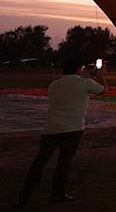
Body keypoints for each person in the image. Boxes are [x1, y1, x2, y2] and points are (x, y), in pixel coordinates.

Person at [17, 57, 108, 206]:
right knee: (64, 162)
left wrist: (88, 78)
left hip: (51, 127)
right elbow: (103, 90)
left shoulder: (54, 84)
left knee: (40, 161)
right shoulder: (85, 83)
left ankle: (26, 193)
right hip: (73, 128)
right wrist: (101, 75)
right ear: (79, 69)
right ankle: (58, 193)